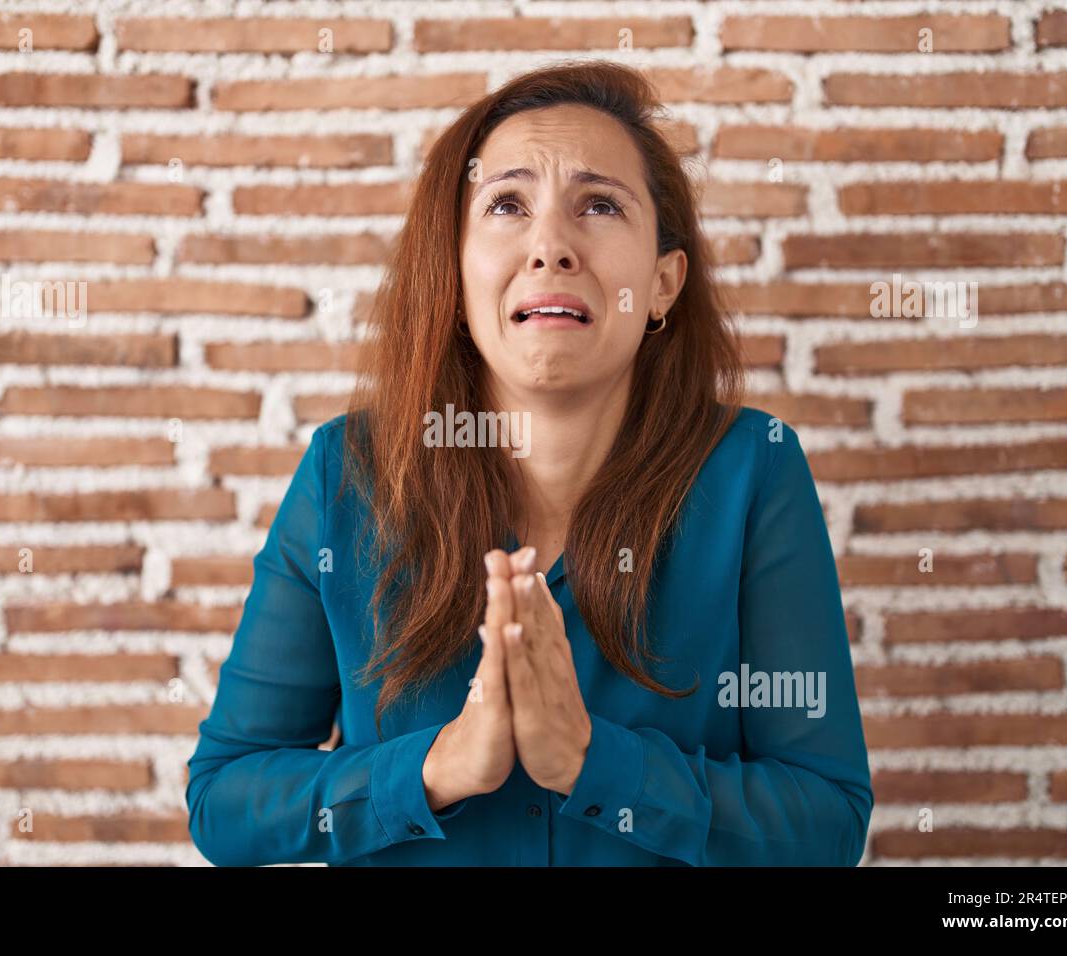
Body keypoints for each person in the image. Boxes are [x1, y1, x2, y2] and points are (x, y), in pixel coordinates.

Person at [185, 60, 873, 866]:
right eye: (507, 204)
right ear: (455, 271)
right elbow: (223, 801)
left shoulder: (754, 471)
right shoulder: (348, 474)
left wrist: (594, 762)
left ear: (661, 283)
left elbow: (828, 819)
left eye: (600, 206)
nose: (551, 245)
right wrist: (435, 768)